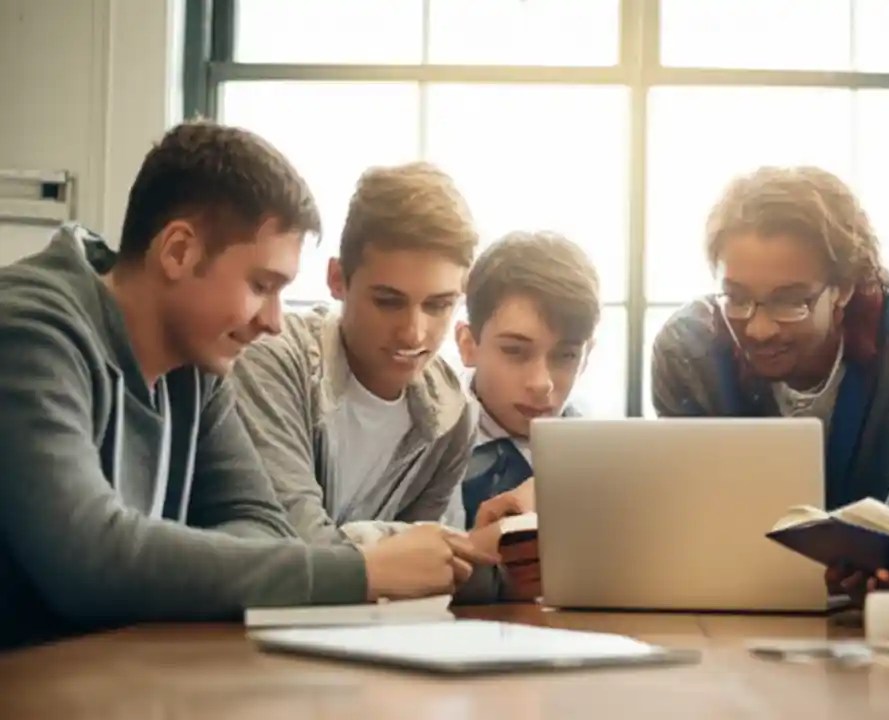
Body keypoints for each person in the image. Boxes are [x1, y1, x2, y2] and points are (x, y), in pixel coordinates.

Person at [0, 123, 492, 650]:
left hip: (108, 671)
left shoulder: (196, 363)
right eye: (262, 286)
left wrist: (149, 561)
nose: (274, 321)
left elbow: (264, 529)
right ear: (178, 252)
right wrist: (363, 572)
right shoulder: (28, 330)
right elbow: (89, 559)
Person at [649, 165, 889, 529]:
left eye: (790, 301)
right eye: (736, 298)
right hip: (736, 555)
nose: (759, 329)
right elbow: (686, 514)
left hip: (880, 556)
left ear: (844, 289)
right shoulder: (685, 352)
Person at [232, 162, 478, 549]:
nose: (413, 332)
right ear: (337, 279)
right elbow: (295, 548)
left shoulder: (454, 414)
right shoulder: (272, 360)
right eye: (388, 302)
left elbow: (427, 565)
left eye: (438, 306)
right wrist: (450, 545)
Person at [446, 230, 601, 600]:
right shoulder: (423, 438)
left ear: (587, 356)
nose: (541, 384)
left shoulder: (600, 451)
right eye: (515, 351)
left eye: (566, 356)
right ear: (468, 345)